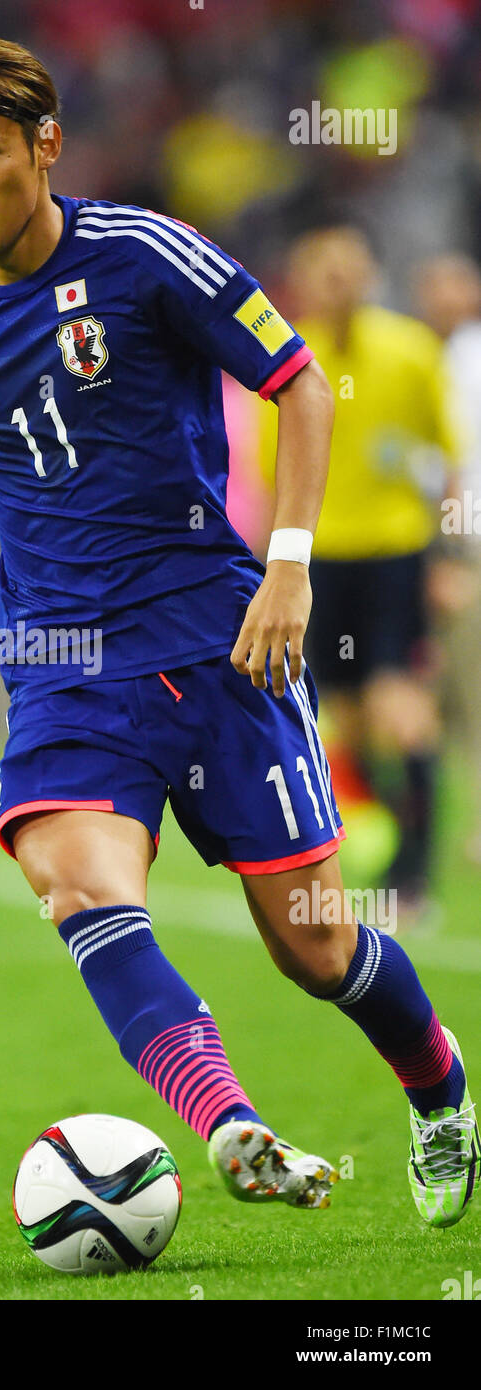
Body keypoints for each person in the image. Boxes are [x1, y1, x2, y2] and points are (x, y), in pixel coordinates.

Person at [0, 32, 478, 1228]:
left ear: (43, 144)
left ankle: (437, 1088)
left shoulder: (140, 255)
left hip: (216, 649)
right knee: (79, 886)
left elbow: (297, 381)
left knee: (314, 949)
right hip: (62, 666)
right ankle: (228, 1125)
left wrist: (286, 568)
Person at [260, 225, 461, 922]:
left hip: (395, 556)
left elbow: (445, 460)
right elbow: (273, 471)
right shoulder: (285, 358)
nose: (338, 283)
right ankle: (385, 855)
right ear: (304, 283)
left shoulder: (410, 352)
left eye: (349, 269)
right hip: (319, 563)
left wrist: (450, 558)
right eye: (323, 272)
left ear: (370, 273)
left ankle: (414, 877)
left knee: (397, 705)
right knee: (342, 716)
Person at [415, 253, 481, 865]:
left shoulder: (461, 359)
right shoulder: (438, 355)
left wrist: (453, 554)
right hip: (443, 541)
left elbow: (455, 463)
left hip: (465, 545)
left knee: (468, 685)